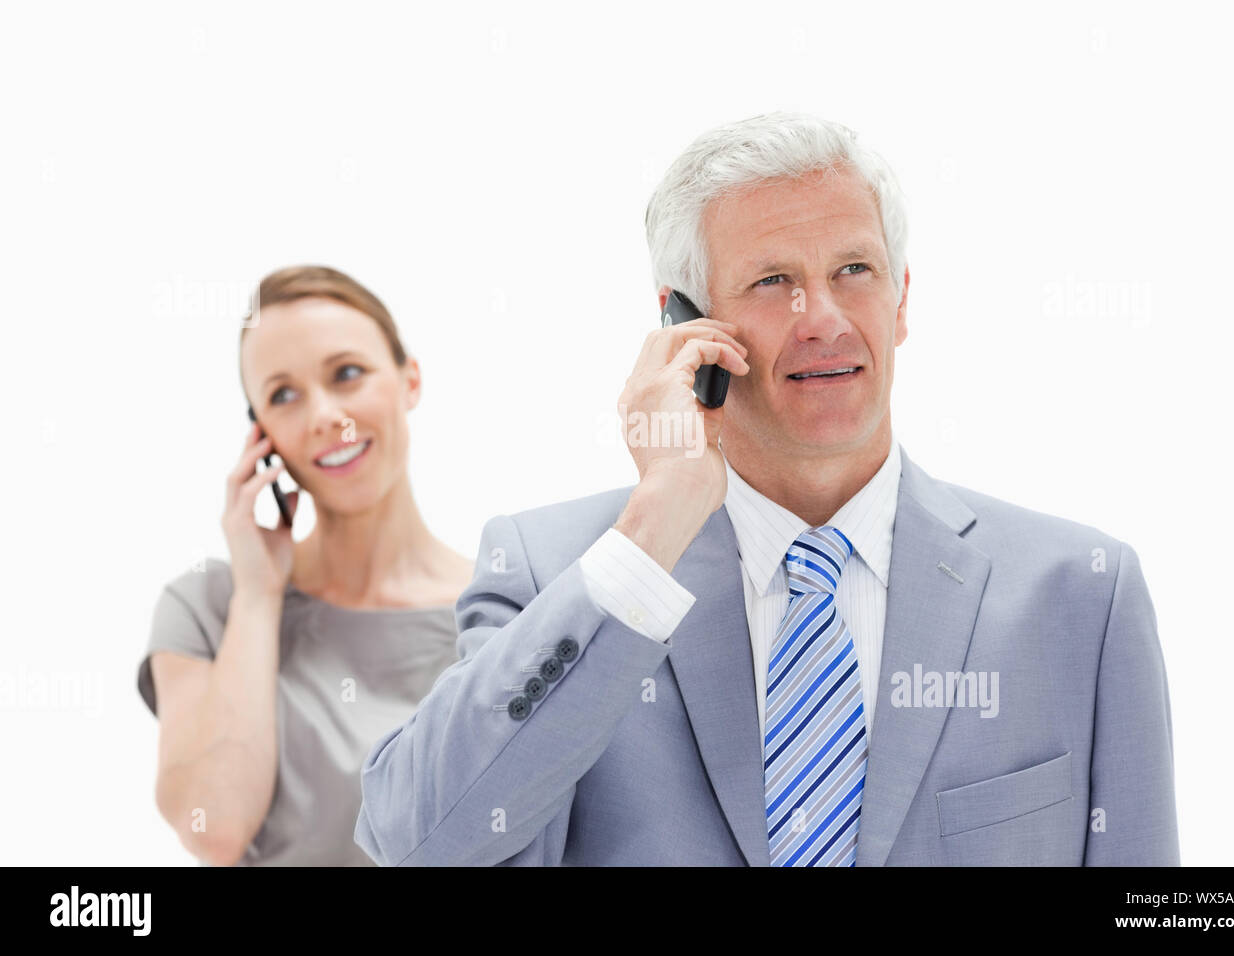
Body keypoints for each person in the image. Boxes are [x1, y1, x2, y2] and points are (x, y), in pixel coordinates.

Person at [355, 113, 1179, 866]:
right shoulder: (560, 573)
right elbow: (416, 840)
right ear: (686, 325)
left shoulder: (1081, 595)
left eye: (854, 268)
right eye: (771, 280)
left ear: (900, 300)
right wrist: (652, 533)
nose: (821, 315)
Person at [138, 265, 472, 865]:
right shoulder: (208, 604)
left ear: (409, 380)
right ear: (259, 433)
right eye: (283, 395)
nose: (322, 415)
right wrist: (259, 596)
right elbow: (213, 829)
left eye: (347, 373)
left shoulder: (498, 610)